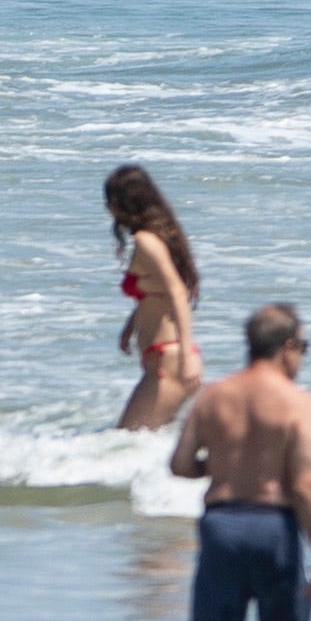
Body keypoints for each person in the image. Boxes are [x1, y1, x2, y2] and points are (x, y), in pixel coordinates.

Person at [168, 300, 311, 621]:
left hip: (221, 526)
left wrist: (224, 465)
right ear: (288, 346)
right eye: (303, 348)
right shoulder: (298, 402)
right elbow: (302, 483)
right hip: (273, 527)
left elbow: (180, 464)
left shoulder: (212, 396)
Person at [104, 163, 203, 431]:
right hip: (163, 360)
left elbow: (177, 293)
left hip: (170, 362)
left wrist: (186, 355)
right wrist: (130, 326)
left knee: (123, 443)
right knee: (139, 445)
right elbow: (156, 293)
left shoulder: (147, 241)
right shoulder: (156, 237)